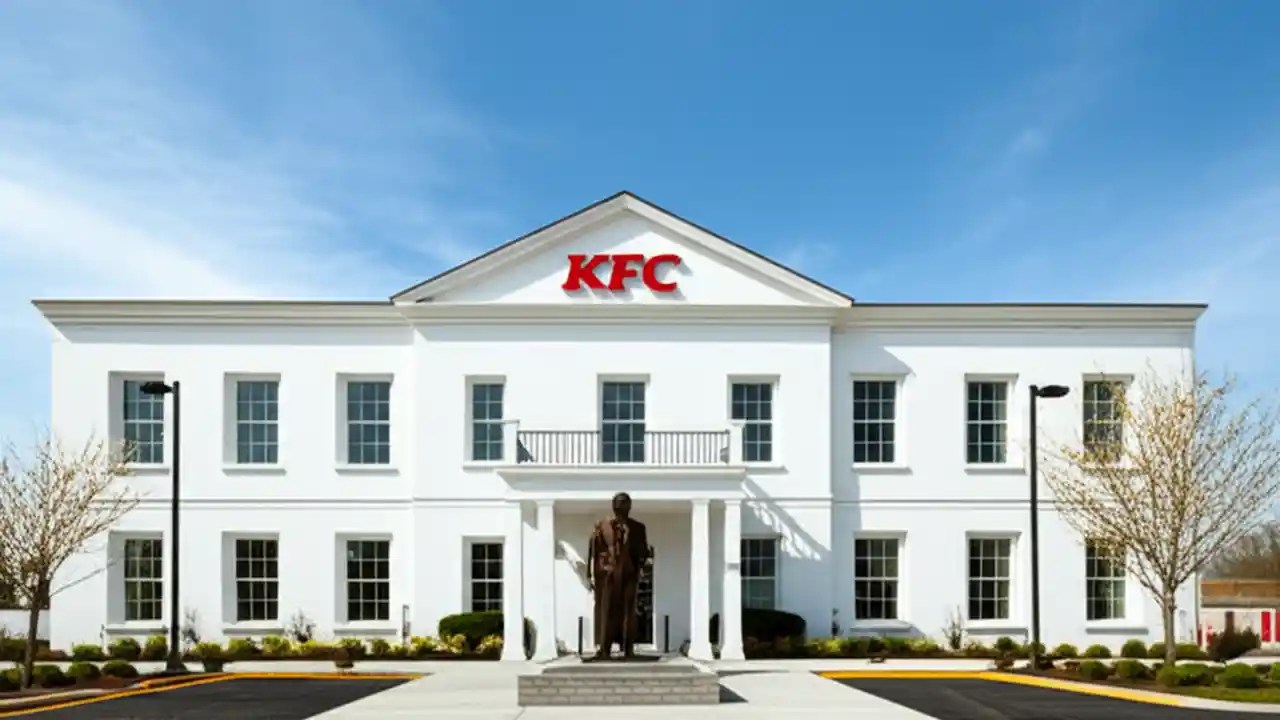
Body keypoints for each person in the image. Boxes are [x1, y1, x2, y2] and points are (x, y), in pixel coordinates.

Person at [587, 492, 648, 659]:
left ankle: (628, 649)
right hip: (608, 575)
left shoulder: (638, 528)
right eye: (618, 503)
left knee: (629, 612)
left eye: (624, 503)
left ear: (629, 506)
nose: (620, 506)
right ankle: (604, 650)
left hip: (629, 574)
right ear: (613, 506)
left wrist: (640, 564)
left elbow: (643, 552)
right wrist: (591, 573)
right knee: (606, 611)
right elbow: (593, 551)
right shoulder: (602, 525)